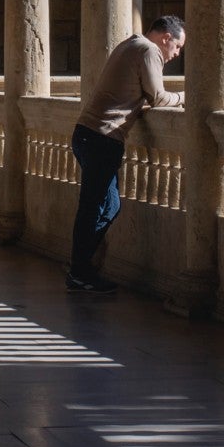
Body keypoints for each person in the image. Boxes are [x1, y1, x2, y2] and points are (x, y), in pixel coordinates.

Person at [66, 16, 184, 292]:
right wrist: (184, 97)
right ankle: (80, 271)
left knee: (98, 206)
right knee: (102, 207)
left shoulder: (131, 44)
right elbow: (158, 97)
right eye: (177, 46)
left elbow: (131, 93)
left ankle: (80, 268)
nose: (176, 54)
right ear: (166, 37)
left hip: (87, 134)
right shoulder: (149, 50)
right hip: (102, 139)